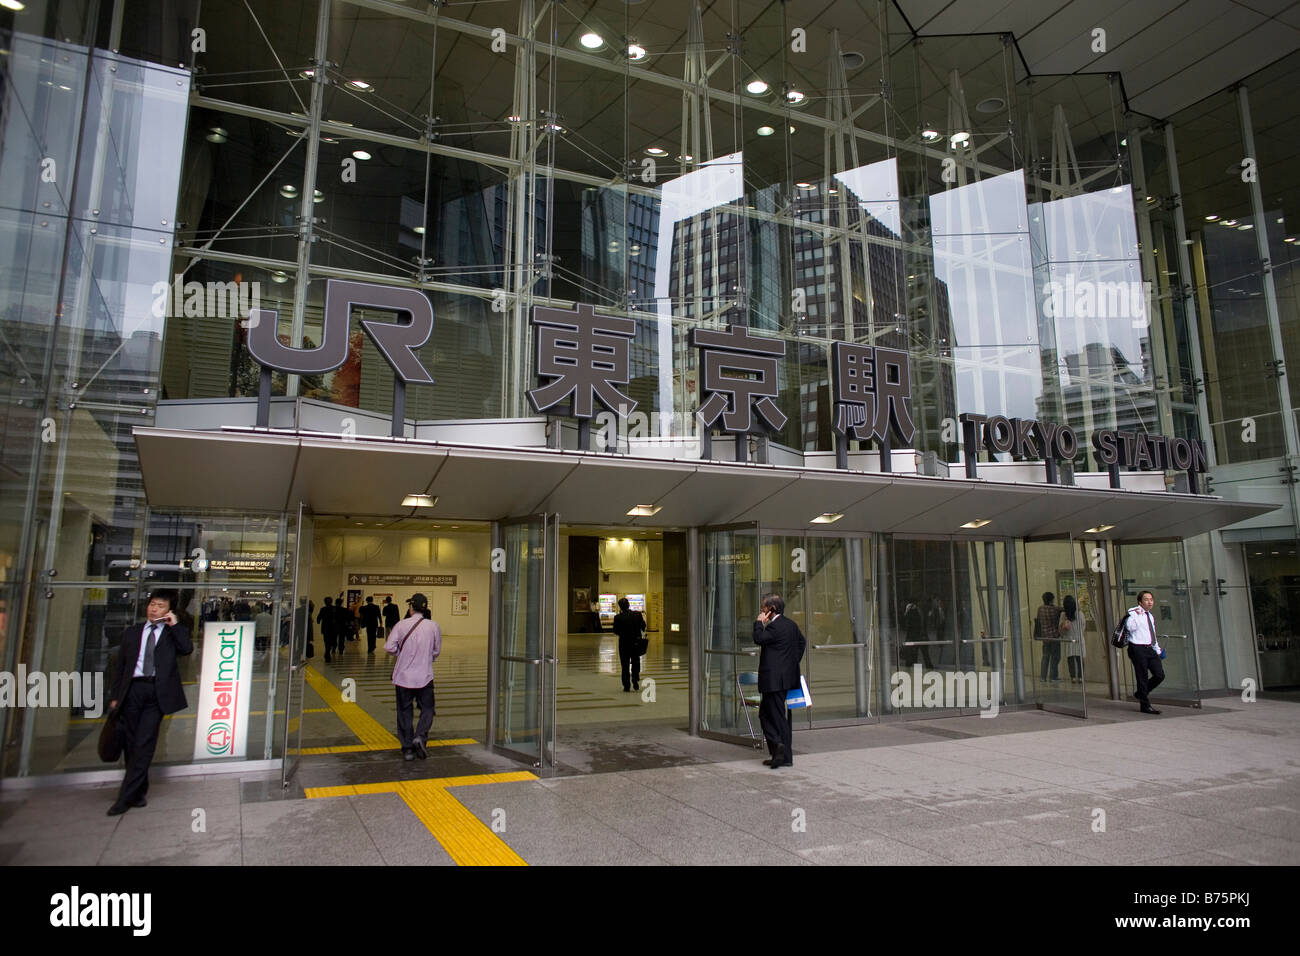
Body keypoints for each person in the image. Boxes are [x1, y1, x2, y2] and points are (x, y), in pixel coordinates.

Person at [105, 589, 194, 815]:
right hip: (133, 690)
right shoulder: (133, 633)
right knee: (131, 742)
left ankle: (124, 797)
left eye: (161, 606)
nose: (154, 609)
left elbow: (187, 649)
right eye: (153, 604)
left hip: (157, 693)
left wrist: (174, 625)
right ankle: (138, 791)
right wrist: (115, 697)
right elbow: (121, 667)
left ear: (169, 611)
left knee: (145, 742)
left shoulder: (172, 633)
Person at [384, 593, 442, 761]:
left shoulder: (401, 625)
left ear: (411, 608)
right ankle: (420, 736)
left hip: (403, 678)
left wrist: (400, 653)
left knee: (404, 711)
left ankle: (408, 749)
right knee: (428, 708)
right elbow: (436, 651)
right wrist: (425, 658)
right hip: (425, 676)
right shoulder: (433, 626)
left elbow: (389, 647)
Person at [753, 593, 806, 769]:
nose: (762, 611)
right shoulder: (790, 625)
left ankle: (779, 748)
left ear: (772, 610)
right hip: (784, 679)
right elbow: (801, 643)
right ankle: (781, 754)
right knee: (772, 715)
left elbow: (758, 639)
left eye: (763, 608)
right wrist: (791, 663)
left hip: (773, 680)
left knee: (773, 716)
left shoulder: (773, 628)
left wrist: (759, 622)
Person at [1125, 590, 1165, 714]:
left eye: (1151, 599)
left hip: (1150, 648)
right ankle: (1145, 705)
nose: (1150, 602)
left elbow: (1152, 634)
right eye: (1146, 599)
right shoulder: (1133, 613)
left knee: (1159, 675)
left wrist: (1157, 650)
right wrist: (1136, 614)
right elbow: (1130, 627)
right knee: (1142, 676)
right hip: (1137, 648)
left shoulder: (1150, 616)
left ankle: (1140, 693)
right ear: (1140, 602)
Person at [612, 597, 647, 692]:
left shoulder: (618, 618)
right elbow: (643, 627)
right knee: (636, 662)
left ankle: (626, 685)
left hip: (624, 644)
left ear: (620, 607)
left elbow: (615, 631)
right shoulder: (637, 615)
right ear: (628, 605)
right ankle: (635, 680)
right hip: (636, 643)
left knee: (625, 665)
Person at [1058, 595, 1086, 684]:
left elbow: (1060, 628)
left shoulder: (1063, 615)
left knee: (1070, 659)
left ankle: (1073, 677)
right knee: (1079, 659)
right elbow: (1083, 625)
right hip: (1079, 638)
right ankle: (1081, 678)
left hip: (1068, 639)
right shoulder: (1080, 613)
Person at [1035, 591, 1062, 682]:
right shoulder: (1054, 609)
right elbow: (1063, 609)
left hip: (1045, 637)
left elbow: (1038, 620)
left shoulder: (1040, 609)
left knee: (1045, 656)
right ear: (1051, 600)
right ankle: (1053, 677)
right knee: (1055, 657)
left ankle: (1043, 677)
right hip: (1054, 636)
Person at [317, 596, 340, 662]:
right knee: (333, 641)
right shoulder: (334, 609)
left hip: (325, 628)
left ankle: (327, 654)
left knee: (327, 642)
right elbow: (338, 618)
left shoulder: (323, 609)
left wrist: (318, 621)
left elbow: (319, 618)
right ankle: (328, 653)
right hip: (333, 628)